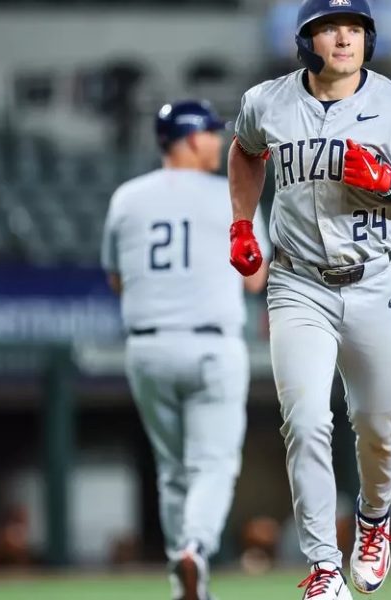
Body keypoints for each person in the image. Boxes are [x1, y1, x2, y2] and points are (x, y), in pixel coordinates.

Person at [227, 1, 391, 597]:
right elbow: (245, 150)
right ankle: (324, 566)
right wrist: (242, 222)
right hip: (297, 283)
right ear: (307, 41)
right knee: (304, 422)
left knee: (377, 425)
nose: (345, 39)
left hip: (372, 280)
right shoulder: (266, 102)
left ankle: (374, 522)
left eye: (355, 29)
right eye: (331, 29)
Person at [101, 99, 269, 600]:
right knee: (214, 464)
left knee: (173, 471)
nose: (219, 141)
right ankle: (194, 547)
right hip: (213, 346)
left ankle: (184, 582)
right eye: (213, 133)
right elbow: (255, 278)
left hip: (149, 347)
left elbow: (116, 279)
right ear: (193, 138)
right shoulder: (231, 194)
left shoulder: (127, 198)